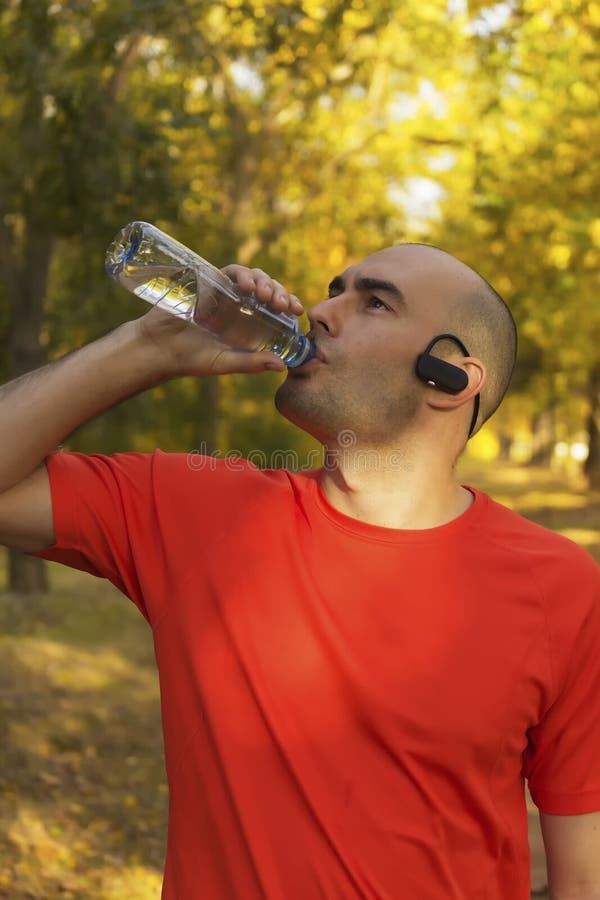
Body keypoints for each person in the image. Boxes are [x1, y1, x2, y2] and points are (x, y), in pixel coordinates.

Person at [0, 242, 599, 900]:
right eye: (332, 290)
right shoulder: (195, 512)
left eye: (373, 302)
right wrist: (148, 346)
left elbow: (584, 877)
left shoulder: (562, 589)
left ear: (450, 375)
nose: (318, 311)